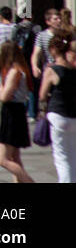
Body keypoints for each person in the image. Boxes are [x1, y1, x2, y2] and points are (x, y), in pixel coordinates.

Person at [0, 41, 34, 182]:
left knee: (3, 160)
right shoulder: (20, 70)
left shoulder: (14, 72)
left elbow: (3, 95)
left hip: (11, 114)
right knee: (15, 157)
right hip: (18, 113)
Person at [38, 28, 76, 183]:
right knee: (73, 158)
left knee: (61, 159)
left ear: (53, 49)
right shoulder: (73, 70)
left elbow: (41, 95)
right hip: (73, 116)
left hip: (57, 116)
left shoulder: (52, 70)